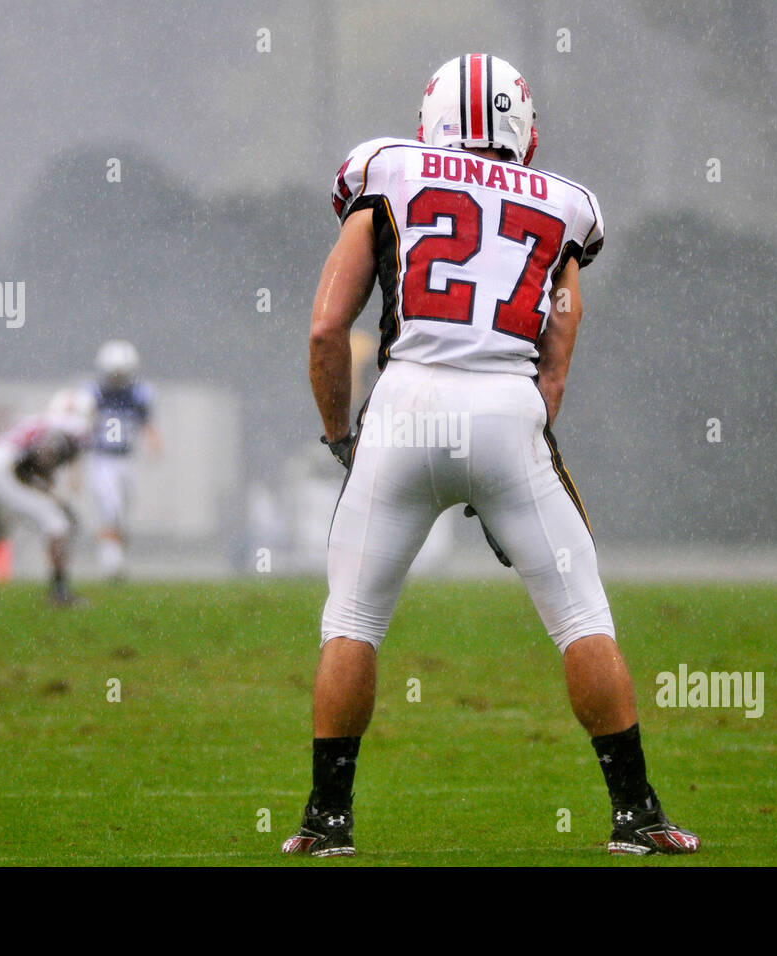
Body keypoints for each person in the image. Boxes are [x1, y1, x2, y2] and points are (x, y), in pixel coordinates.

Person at [282, 54, 699, 858]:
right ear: (524, 126)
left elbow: (327, 330)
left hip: (403, 405)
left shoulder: (386, 172)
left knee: (353, 620)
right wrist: (517, 448)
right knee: (582, 616)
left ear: (430, 117)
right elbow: (558, 353)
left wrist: (341, 436)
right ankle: (637, 816)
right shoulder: (566, 206)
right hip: (509, 405)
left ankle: (326, 821)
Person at [0, 388, 94, 607]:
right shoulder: (76, 427)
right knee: (57, 523)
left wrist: (44, 489)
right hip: (1, 467)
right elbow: (42, 456)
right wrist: (51, 493)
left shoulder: (38, 419)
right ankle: (59, 593)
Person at [86, 340, 160, 580]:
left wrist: (153, 441)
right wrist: (75, 469)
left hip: (128, 461)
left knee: (122, 512)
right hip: (103, 460)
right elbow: (84, 428)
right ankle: (111, 564)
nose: (117, 379)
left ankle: (115, 556)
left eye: (121, 374)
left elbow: (147, 422)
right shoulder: (94, 394)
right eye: (113, 374)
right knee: (111, 509)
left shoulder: (139, 394)